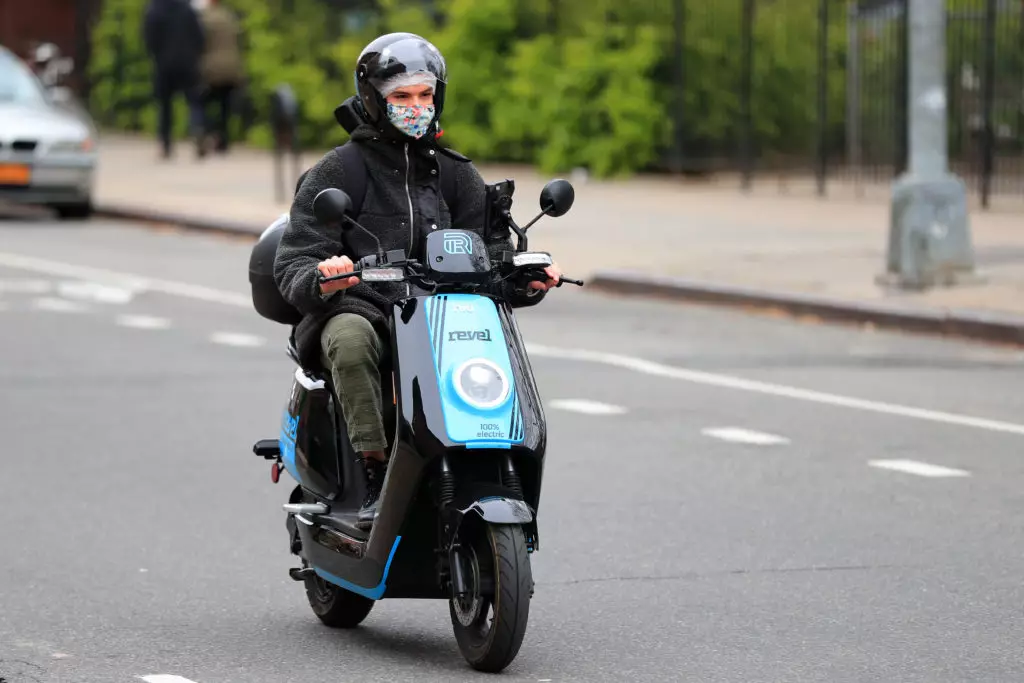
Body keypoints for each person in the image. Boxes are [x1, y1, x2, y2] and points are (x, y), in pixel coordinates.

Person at [273, 32, 562, 530]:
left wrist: (524, 276)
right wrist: (326, 275)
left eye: (425, 95)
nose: (416, 106)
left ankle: (495, 466)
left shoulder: (456, 174)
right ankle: (371, 471)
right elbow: (294, 262)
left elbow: (491, 252)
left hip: (441, 313)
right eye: (401, 97)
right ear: (374, 101)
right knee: (349, 338)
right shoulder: (338, 172)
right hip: (364, 308)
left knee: (490, 342)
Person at [142, 0, 206, 159]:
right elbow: (199, 36)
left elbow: (149, 38)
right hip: (187, 62)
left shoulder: (154, 10)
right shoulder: (187, 8)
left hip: (164, 63)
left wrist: (156, 55)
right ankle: (197, 128)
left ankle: (165, 144)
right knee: (193, 101)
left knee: (165, 106)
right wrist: (195, 54)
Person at [197, 0, 245, 154]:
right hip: (231, 67)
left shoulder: (204, 19)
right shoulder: (229, 17)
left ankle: (208, 133)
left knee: (201, 103)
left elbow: (200, 43)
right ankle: (223, 142)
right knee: (225, 107)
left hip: (211, 68)